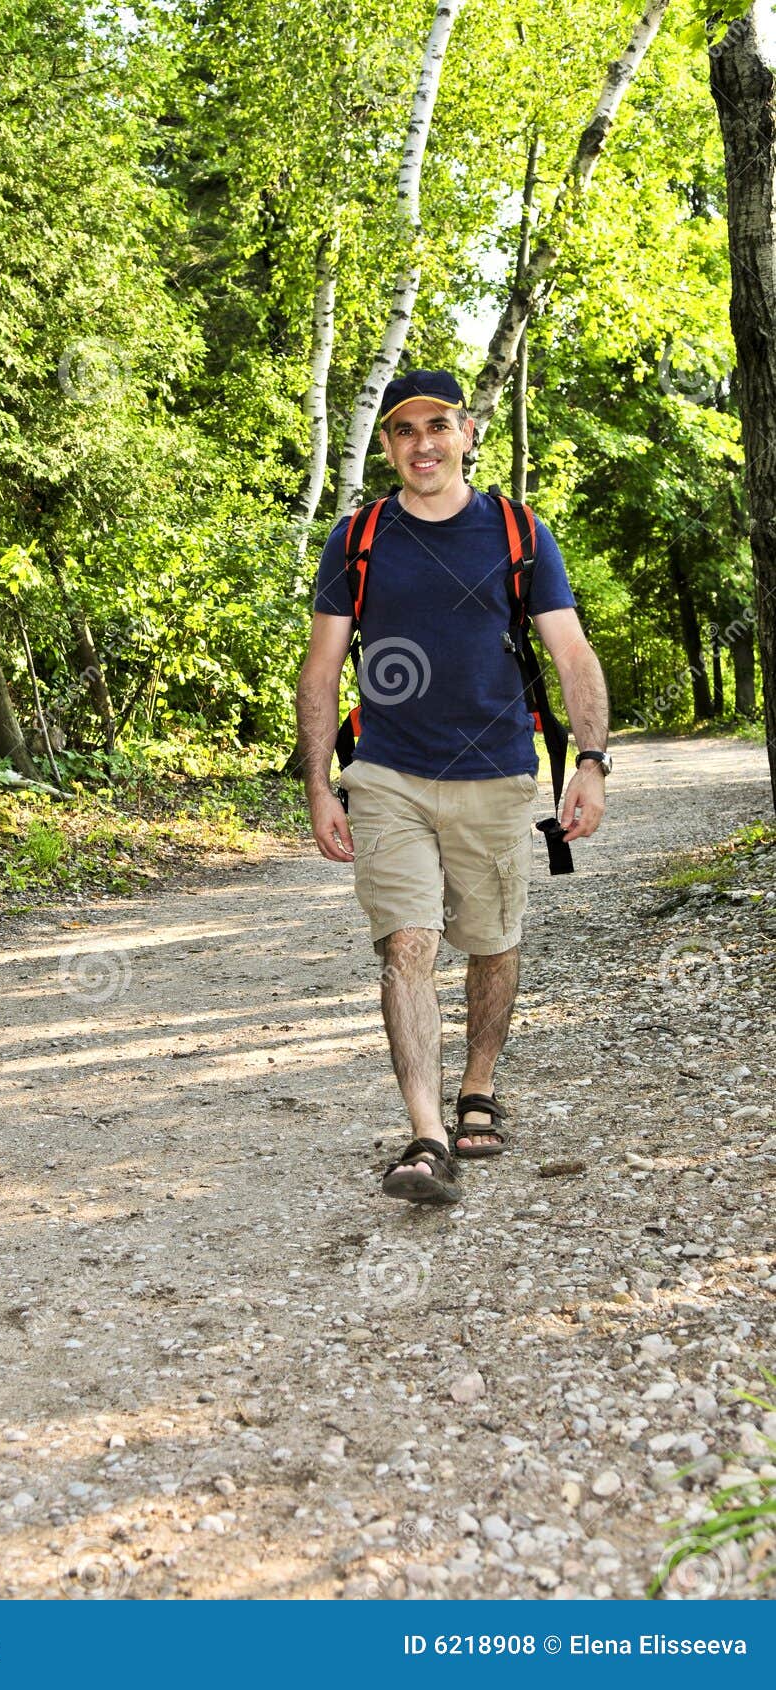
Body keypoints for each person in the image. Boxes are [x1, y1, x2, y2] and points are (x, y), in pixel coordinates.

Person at [295, 369, 610, 1205]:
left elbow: (570, 654)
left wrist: (588, 761)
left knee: (491, 942)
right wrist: (321, 785)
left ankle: (478, 1084)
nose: (421, 443)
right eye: (403, 431)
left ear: (467, 433)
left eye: (437, 426)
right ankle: (427, 1135)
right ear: (388, 445)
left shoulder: (518, 532)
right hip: (388, 774)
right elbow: (322, 669)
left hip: (499, 774)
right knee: (407, 943)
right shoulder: (357, 538)